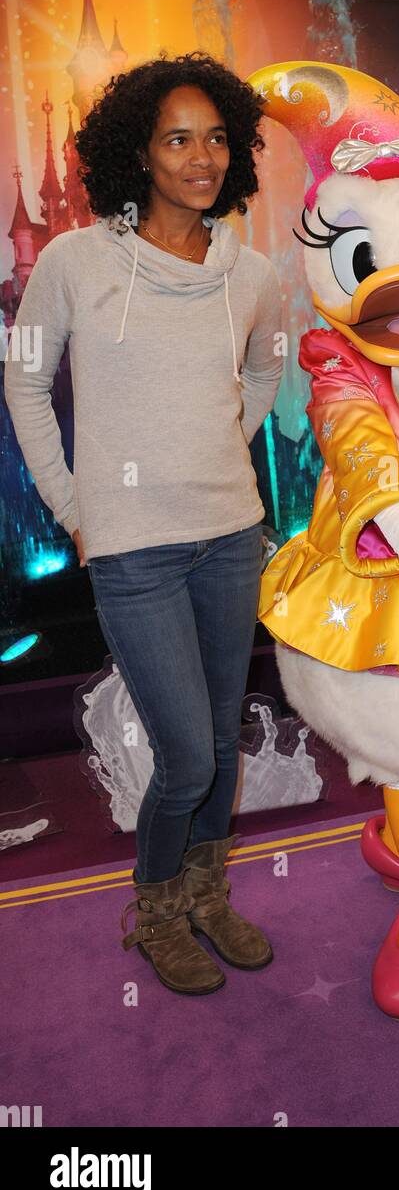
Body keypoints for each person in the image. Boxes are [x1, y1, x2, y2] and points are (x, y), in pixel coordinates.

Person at [4, 52, 284, 991]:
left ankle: (209, 897)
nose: (200, 158)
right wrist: (75, 504)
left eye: (214, 138)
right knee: (186, 753)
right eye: (176, 139)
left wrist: (218, 446)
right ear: (138, 152)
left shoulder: (252, 276)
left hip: (229, 537)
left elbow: (266, 372)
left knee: (219, 744)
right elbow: (26, 379)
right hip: (133, 552)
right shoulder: (77, 261)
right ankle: (156, 907)